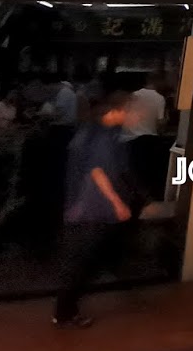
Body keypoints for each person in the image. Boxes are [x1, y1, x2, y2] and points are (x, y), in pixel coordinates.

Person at [53, 89, 138, 327]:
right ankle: (64, 312)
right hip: (89, 207)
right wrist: (117, 202)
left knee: (82, 260)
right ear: (118, 110)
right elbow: (98, 171)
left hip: (85, 206)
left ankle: (66, 310)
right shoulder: (101, 136)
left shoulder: (98, 131)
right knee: (82, 260)